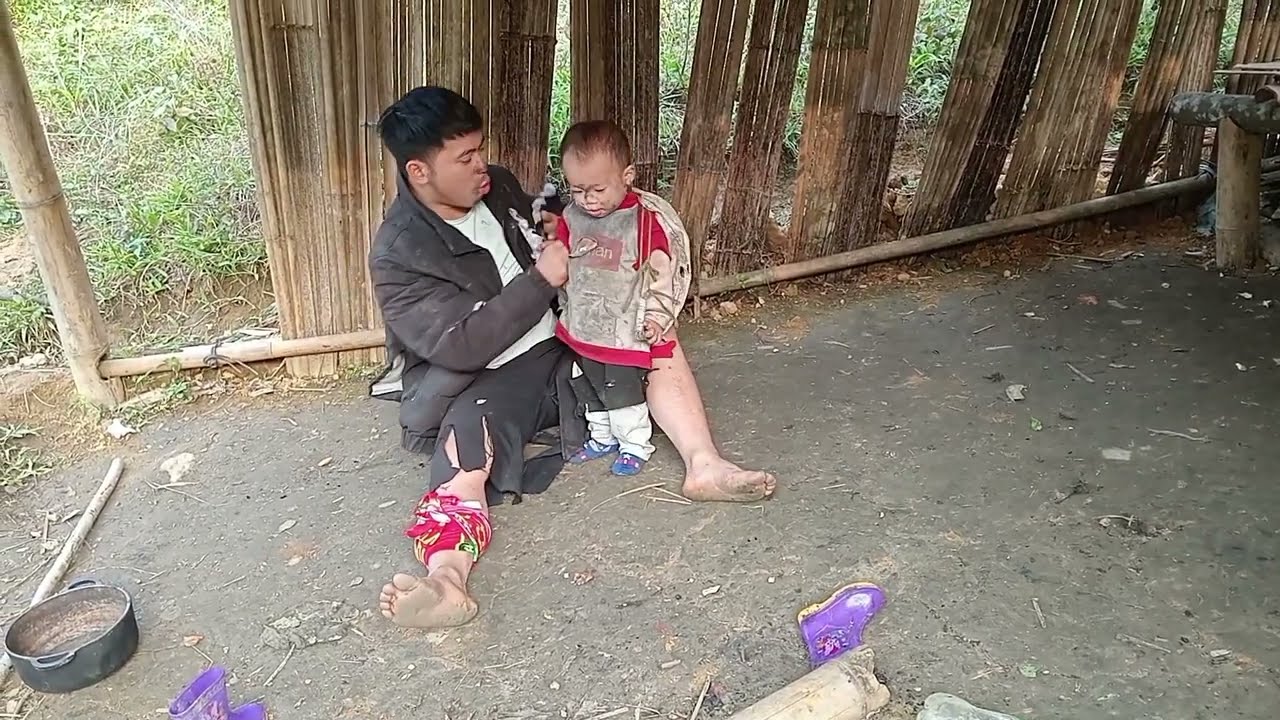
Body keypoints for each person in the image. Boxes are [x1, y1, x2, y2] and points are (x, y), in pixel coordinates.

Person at [367, 86, 776, 629]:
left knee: (647, 334)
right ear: (419, 172)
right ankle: (446, 581)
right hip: (488, 374)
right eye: (464, 158)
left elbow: (552, 217)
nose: (481, 166)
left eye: (480, 149)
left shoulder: (498, 186)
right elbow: (458, 346)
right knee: (469, 451)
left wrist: (600, 222)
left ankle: (705, 466)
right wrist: (542, 279)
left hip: (565, 338)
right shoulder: (399, 254)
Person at [554, 119, 689, 477]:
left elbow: (663, 273)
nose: (588, 199)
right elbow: (564, 264)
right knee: (587, 382)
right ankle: (602, 436)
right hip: (583, 325)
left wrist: (658, 316)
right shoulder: (571, 216)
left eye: (598, 188)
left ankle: (634, 443)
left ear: (627, 175)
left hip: (623, 326)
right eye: (577, 190)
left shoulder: (642, 221)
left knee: (621, 388)